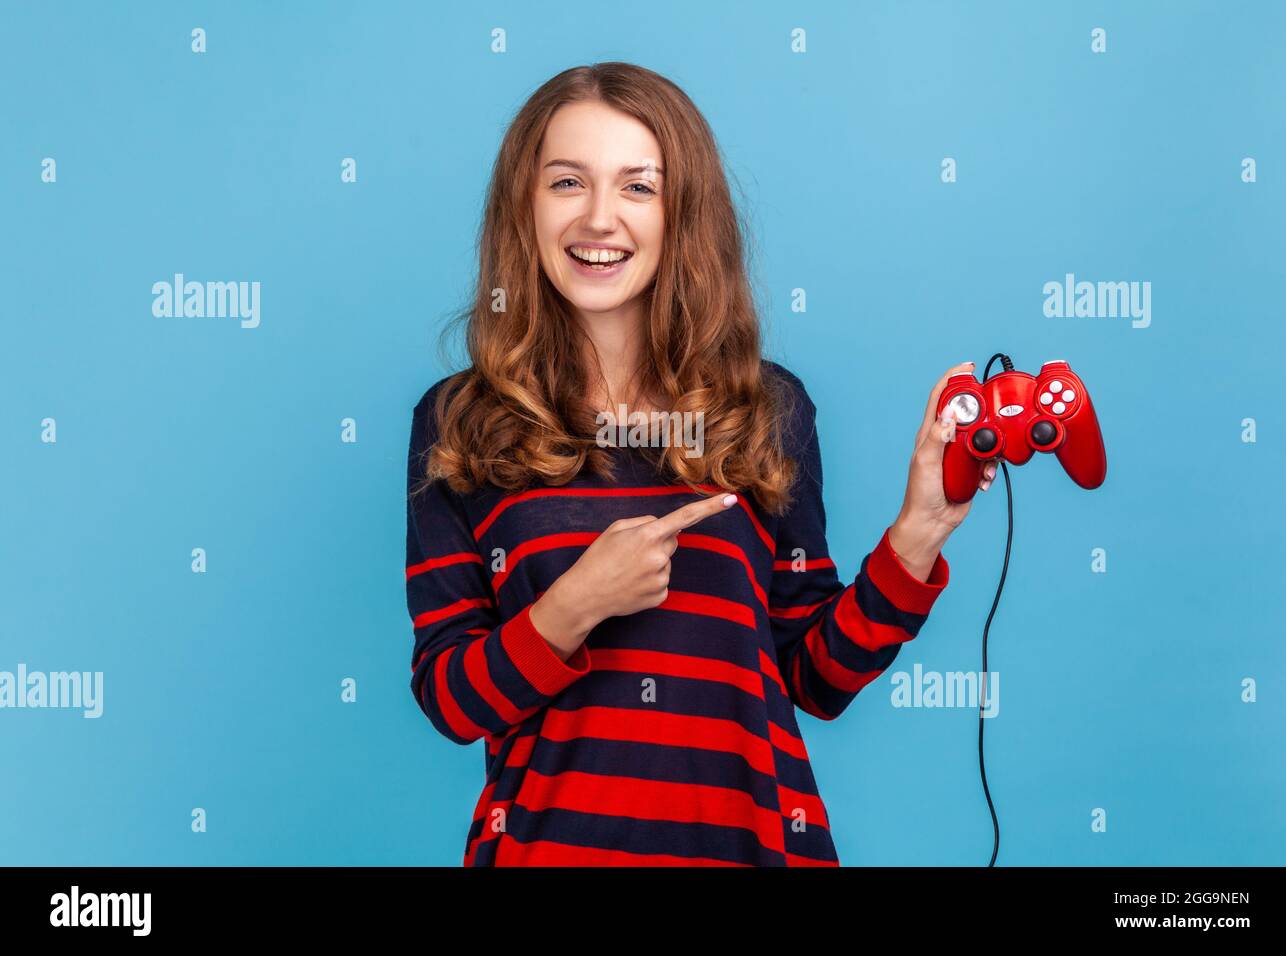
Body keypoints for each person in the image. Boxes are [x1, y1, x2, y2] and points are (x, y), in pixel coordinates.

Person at [405, 62, 999, 866]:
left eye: (638, 187)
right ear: (525, 206)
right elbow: (452, 699)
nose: (600, 218)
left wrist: (919, 535)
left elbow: (815, 678)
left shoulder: (768, 410)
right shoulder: (460, 420)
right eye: (568, 182)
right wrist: (575, 602)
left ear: (682, 213)